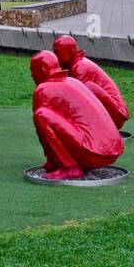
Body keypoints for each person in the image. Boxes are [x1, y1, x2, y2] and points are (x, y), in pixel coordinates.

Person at [29, 50, 123, 181]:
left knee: (41, 115)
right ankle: (75, 163)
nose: (32, 75)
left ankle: (69, 167)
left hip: (93, 153)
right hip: (111, 150)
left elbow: (43, 131)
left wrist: (52, 160)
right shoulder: (73, 81)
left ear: (43, 70)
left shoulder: (43, 89)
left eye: (32, 71)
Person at [52, 35, 129, 129]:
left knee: (86, 88)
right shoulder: (72, 65)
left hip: (115, 116)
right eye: (55, 52)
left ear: (71, 51)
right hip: (110, 113)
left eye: (59, 52)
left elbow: (76, 99)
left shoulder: (79, 67)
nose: (56, 56)